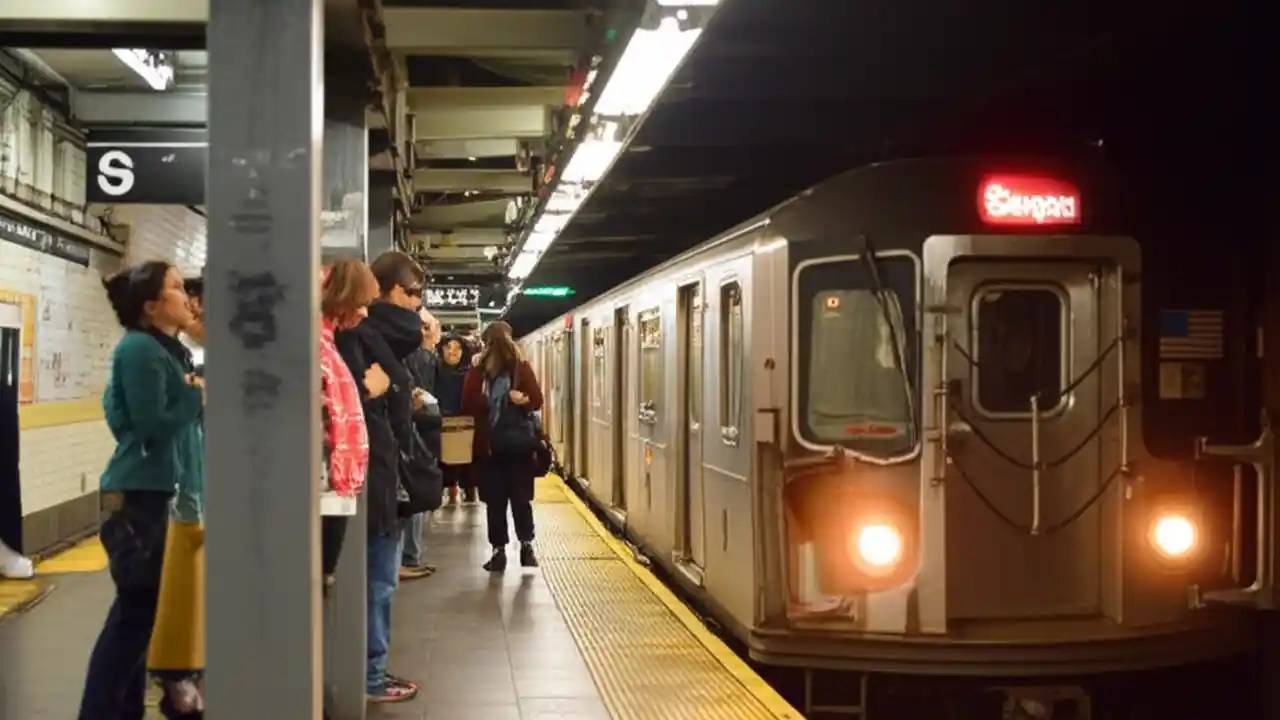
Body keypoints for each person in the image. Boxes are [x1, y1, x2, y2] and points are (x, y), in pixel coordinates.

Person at [79, 262, 204, 720]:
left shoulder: (170, 352)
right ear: (152, 306)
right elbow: (150, 425)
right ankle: (98, 712)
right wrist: (196, 396)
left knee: (141, 614)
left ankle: (122, 711)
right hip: (136, 498)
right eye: (175, 287)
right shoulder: (139, 350)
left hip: (156, 493)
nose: (186, 295)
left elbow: (120, 411)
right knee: (134, 614)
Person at [334, 250, 438, 704]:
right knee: (376, 583)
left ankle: (372, 669)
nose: (419, 306)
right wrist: (371, 389)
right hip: (369, 477)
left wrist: (398, 391)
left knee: (381, 581)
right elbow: (341, 399)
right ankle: (367, 674)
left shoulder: (367, 335)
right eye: (415, 294)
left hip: (379, 474)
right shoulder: (358, 335)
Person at [319, 260, 385, 586]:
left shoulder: (327, 340)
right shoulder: (315, 344)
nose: (364, 313)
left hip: (331, 484)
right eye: (360, 303)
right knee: (317, 582)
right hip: (321, 486)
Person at [462, 331, 543, 572]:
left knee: (495, 503)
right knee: (521, 499)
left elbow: (467, 404)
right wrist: (521, 401)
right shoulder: (522, 368)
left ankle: (499, 552)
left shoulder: (477, 372)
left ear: (486, 344)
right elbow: (537, 401)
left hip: (489, 448)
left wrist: (489, 403)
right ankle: (527, 548)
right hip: (520, 447)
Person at [399, 308, 442, 578]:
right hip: (415, 433)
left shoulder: (425, 357)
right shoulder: (418, 357)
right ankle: (409, 557)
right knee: (412, 496)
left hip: (420, 432)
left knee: (413, 496)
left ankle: (411, 555)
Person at [436, 332, 475, 504]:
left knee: (466, 464)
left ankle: (468, 490)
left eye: (458, 348)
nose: (453, 352)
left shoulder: (469, 373)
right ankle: (450, 491)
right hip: (441, 423)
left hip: (465, 424)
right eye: (448, 347)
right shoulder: (435, 370)